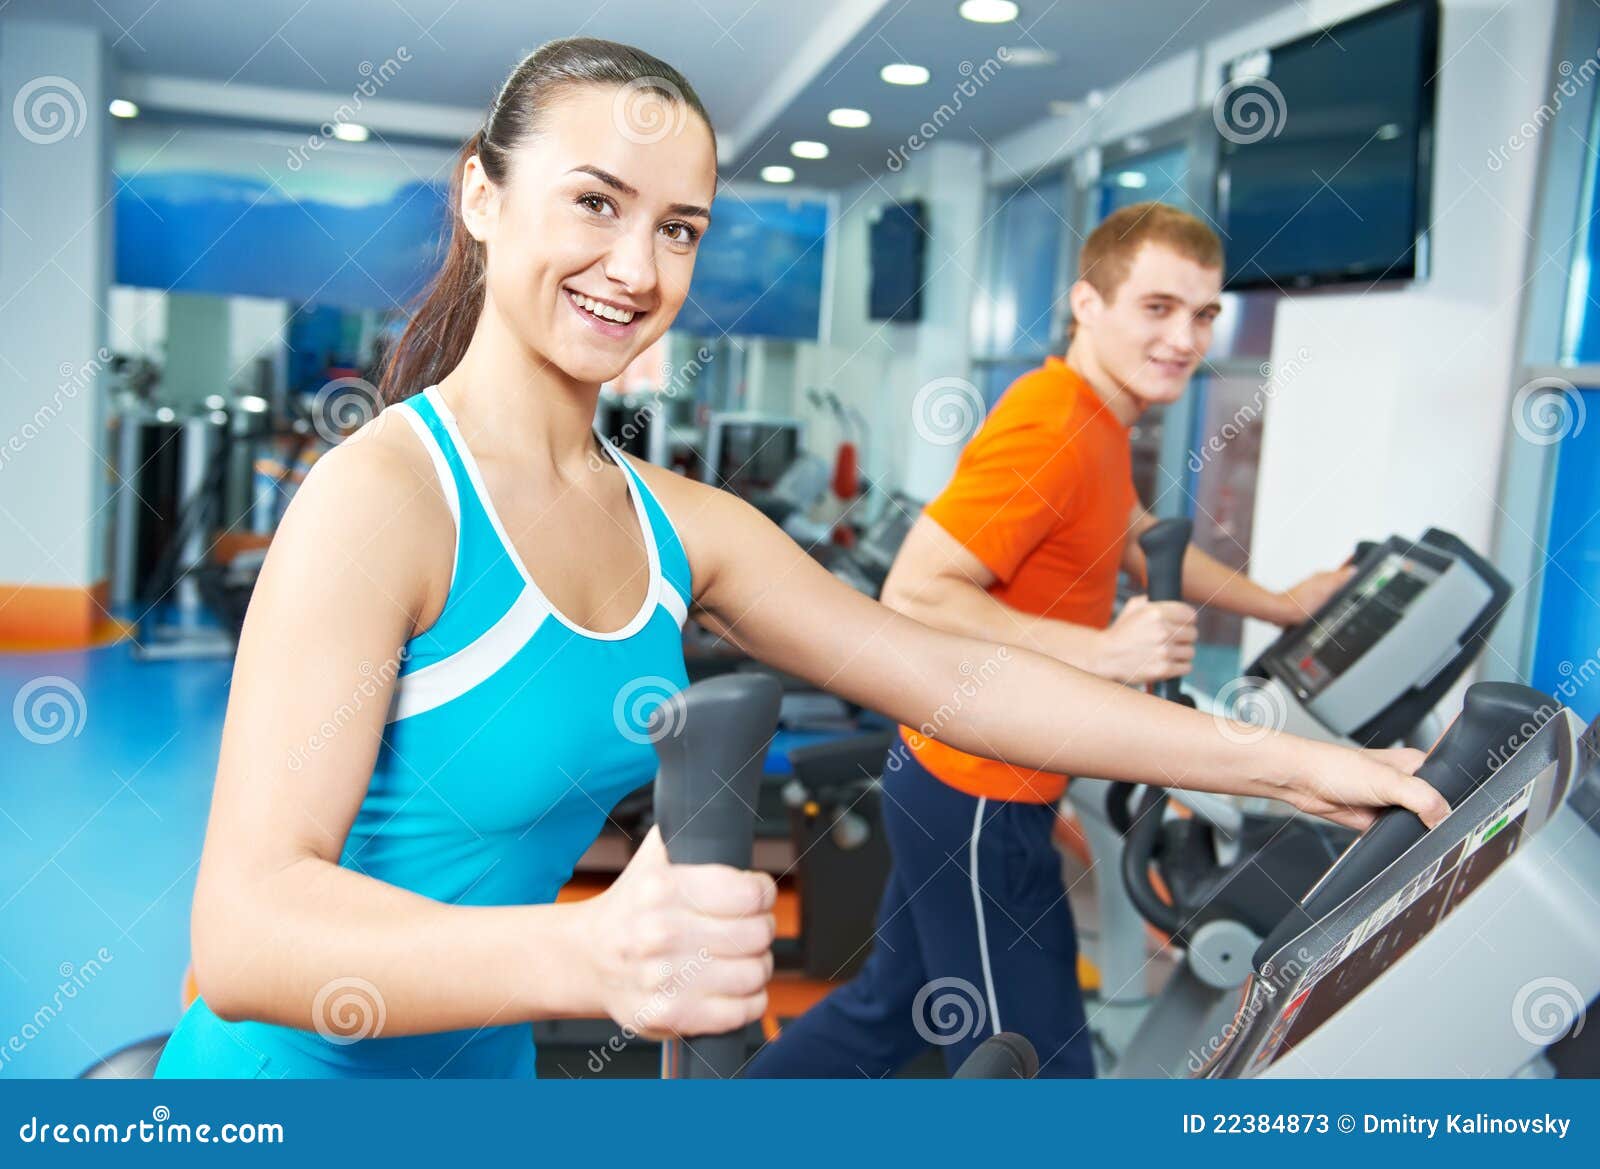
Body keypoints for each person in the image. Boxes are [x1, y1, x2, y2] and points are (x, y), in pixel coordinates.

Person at [155, 42, 1445, 1080]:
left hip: (484, 1078)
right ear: (484, 199)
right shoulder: (383, 497)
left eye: (678, 227)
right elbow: (250, 929)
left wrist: (1280, 762)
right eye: (596, 203)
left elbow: (956, 673)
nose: (634, 265)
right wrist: (593, 953)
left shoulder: (676, 524)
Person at [746, 203, 1354, 1079]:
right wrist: (1105, 654)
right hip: (980, 791)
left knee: (886, 1013)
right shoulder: (1055, 426)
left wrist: (1284, 605)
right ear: (1087, 303)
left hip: (954, 771)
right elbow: (915, 589)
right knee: (1038, 1066)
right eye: (1157, 307)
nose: (1185, 337)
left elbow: (1135, 530)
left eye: (1204, 314)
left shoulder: (1093, 419)